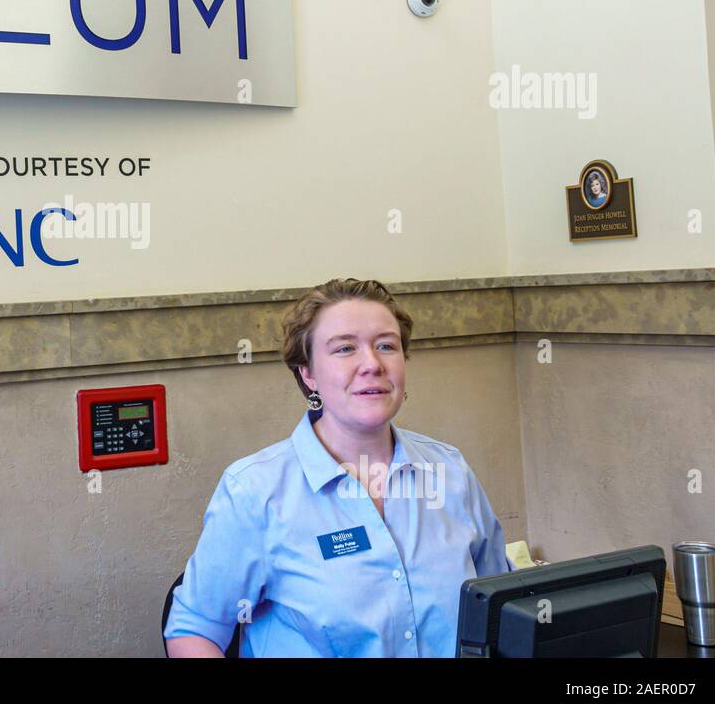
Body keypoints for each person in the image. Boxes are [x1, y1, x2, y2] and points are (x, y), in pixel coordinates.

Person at [164, 277, 512, 657]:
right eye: (345, 348)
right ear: (308, 373)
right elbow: (193, 630)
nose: (373, 364)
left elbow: (501, 605)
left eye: (386, 346)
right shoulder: (255, 491)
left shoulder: (450, 471)